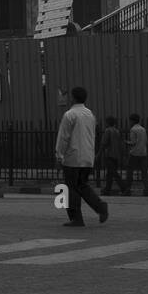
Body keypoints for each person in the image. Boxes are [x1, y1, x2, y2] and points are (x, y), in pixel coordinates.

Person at [55, 85, 109, 227]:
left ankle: (76, 218)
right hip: (87, 157)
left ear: (73, 98)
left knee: (71, 187)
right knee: (82, 185)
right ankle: (100, 207)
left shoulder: (69, 115)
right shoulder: (90, 114)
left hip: (72, 158)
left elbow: (63, 137)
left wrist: (59, 156)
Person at [97, 115, 125, 196]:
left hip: (109, 155)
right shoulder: (117, 131)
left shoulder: (107, 131)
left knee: (113, 173)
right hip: (116, 155)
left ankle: (124, 187)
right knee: (110, 174)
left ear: (108, 123)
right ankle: (107, 189)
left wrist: (99, 154)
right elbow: (120, 144)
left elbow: (103, 144)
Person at [124, 112, 148, 195]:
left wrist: (126, 142)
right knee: (144, 172)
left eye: (130, 121)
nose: (129, 122)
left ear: (132, 121)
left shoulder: (133, 129)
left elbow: (133, 142)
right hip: (143, 153)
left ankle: (127, 189)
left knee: (129, 171)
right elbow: (146, 141)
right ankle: (147, 189)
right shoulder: (143, 129)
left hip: (134, 153)